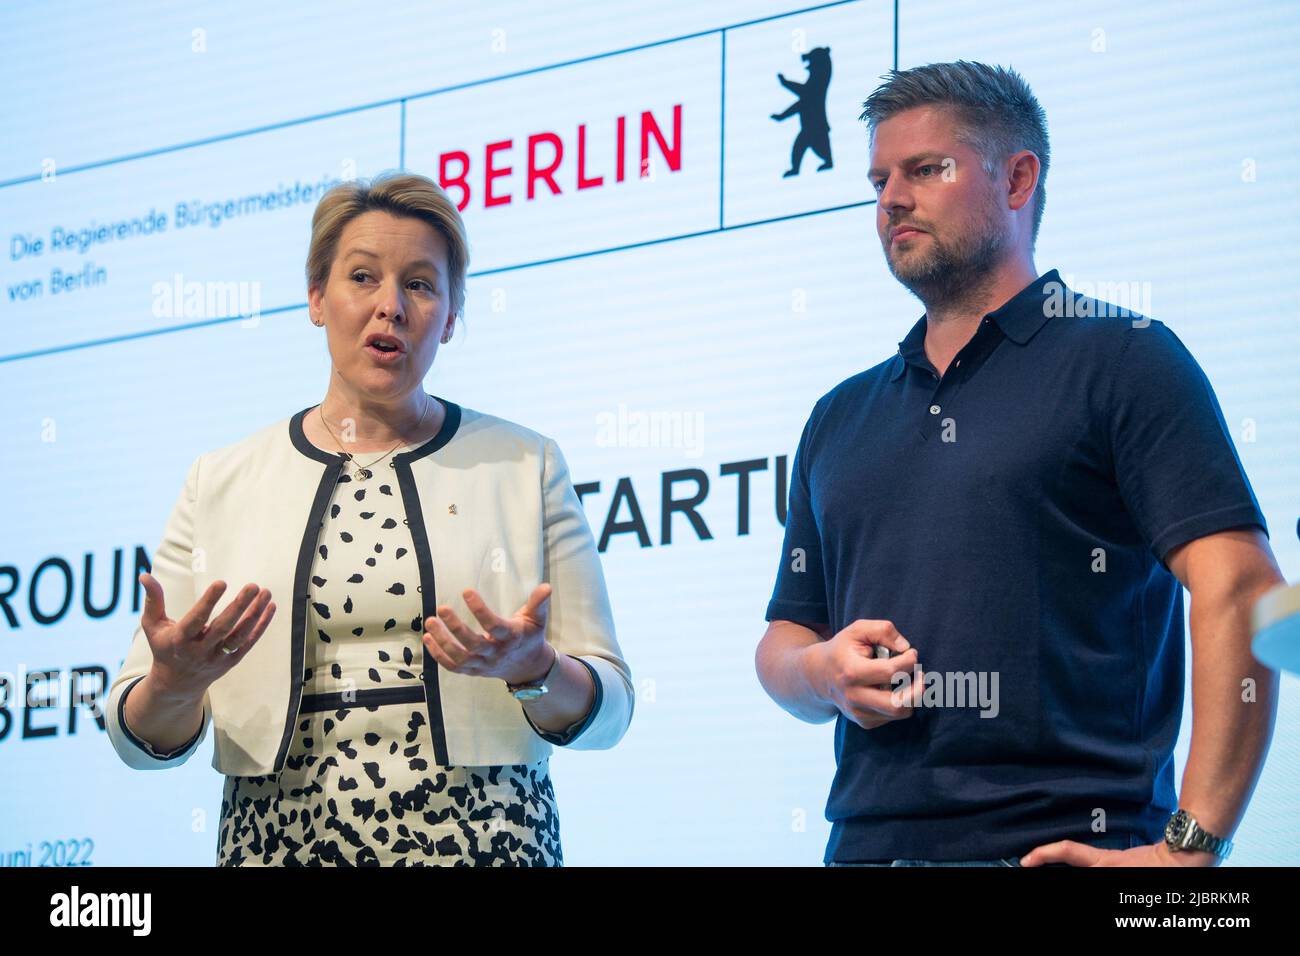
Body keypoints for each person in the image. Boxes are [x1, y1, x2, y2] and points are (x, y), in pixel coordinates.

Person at [754, 61, 1284, 867]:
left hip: (1068, 848)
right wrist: (820, 673)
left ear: (1018, 180)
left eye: (926, 170)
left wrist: (1191, 851)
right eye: (878, 179)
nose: (891, 198)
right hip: (862, 850)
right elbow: (785, 639)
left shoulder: (1125, 360)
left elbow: (1239, 588)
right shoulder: (840, 414)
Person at [106, 171, 634, 866]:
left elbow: (611, 710)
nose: (391, 306)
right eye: (363, 277)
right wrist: (174, 684)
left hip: (487, 841)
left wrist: (536, 670)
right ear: (318, 299)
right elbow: (136, 739)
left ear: (448, 318)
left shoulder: (523, 464)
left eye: (420, 284)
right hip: (279, 844)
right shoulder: (223, 480)